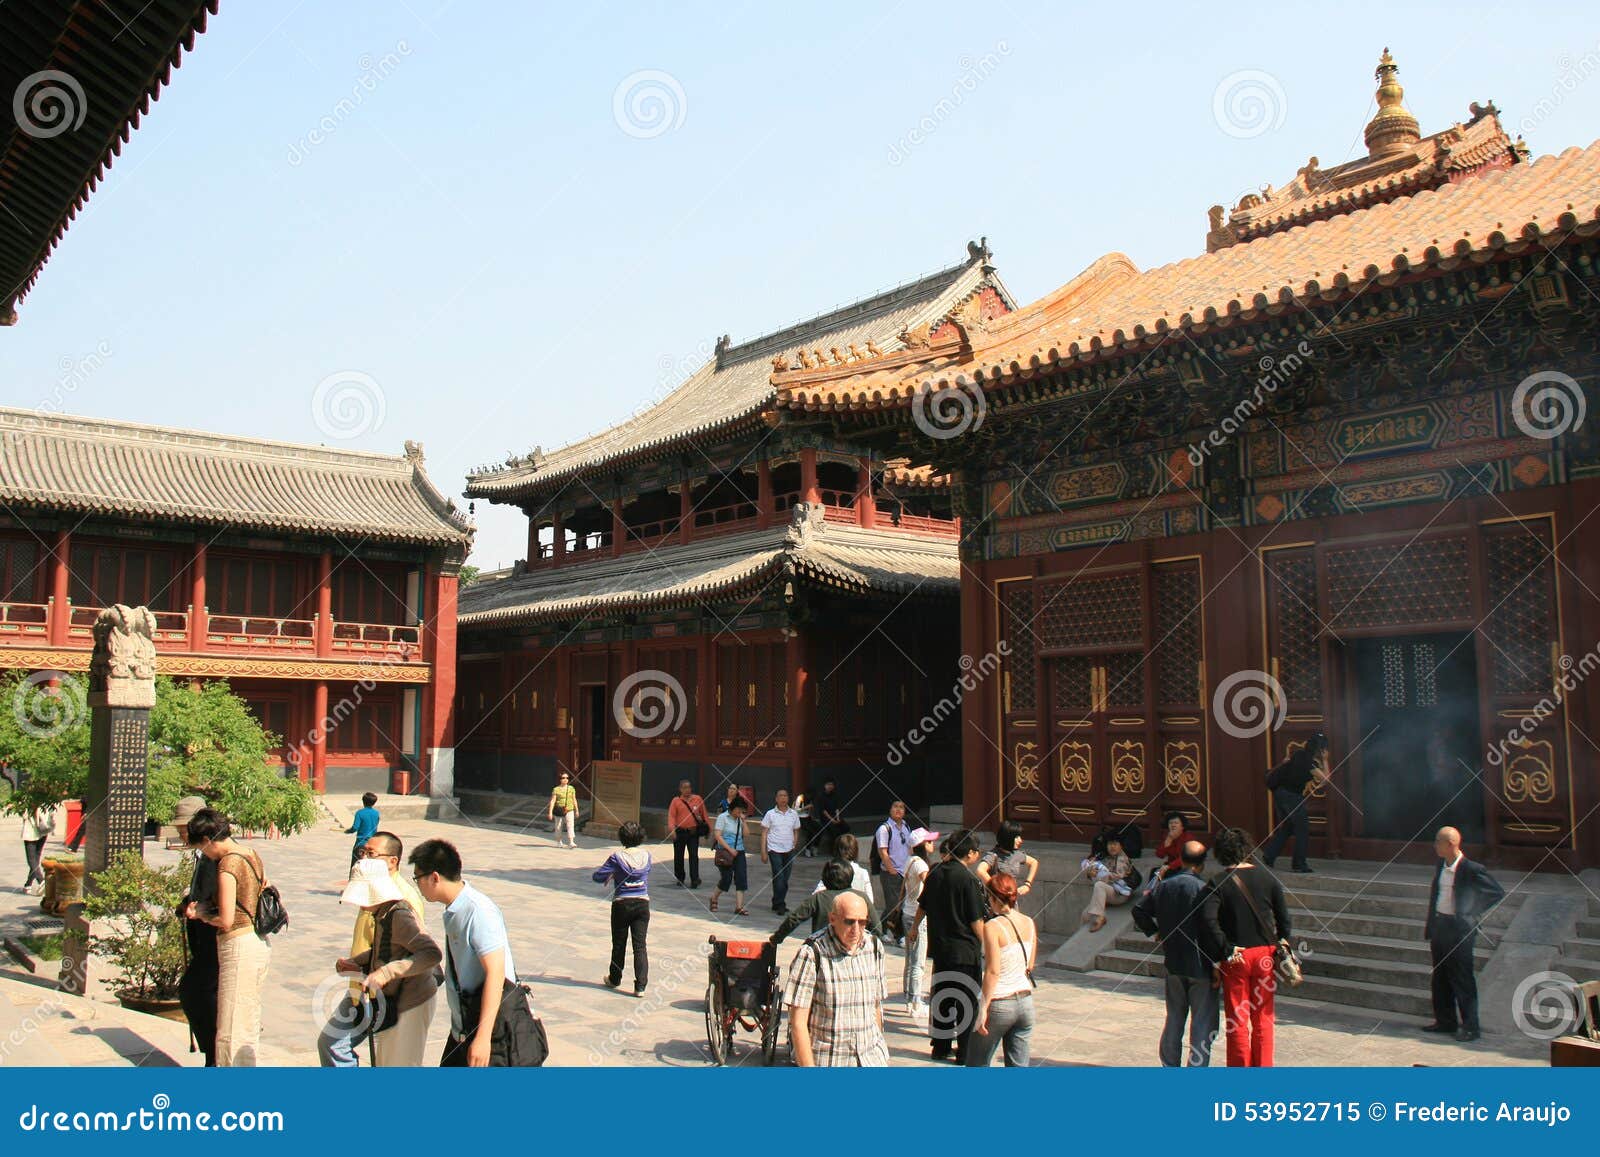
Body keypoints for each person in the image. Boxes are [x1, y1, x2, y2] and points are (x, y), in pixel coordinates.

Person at [318, 831, 428, 1066]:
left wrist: (382, 974)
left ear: (392, 861)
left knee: (338, 1044)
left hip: (387, 993)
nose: (364, 859)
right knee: (331, 1043)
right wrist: (357, 962)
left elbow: (416, 953)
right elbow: (380, 944)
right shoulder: (371, 887)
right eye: (363, 852)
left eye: (372, 854)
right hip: (362, 985)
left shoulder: (403, 899)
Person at [409, 838, 518, 1066]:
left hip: (490, 1031)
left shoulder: (478, 911)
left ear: (434, 877)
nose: (417, 885)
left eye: (417, 878)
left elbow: (496, 973)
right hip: (463, 1027)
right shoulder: (455, 909)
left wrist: (483, 1039)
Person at [181, 808, 270, 1067]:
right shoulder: (251, 854)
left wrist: (201, 915)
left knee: (230, 1025)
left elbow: (226, 919)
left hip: (238, 943)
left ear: (208, 841)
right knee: (246, 1020)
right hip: (258, 942)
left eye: (202, 848)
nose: (205, 854)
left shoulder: (228, 864)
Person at [336, 856, 442, 1066]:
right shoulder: (381, 913)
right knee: (386, 1062)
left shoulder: (399, 915)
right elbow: (386, 950)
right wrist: (356, 963)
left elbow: (431, 953)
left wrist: (385, 973)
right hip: (394, 1002)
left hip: (412, 1001)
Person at [1201, 827, 1290, 1067]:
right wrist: (1283, 940)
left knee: (1237, 1019)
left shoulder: (1218, 883)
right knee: (1263, 1016)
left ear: (1221, 853)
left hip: (1236, 956)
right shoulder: (1267, 877)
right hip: (1265, 955)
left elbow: (1208, 920)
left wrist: (1225, 948)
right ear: (1246, 849)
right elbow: (1284, 918)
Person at [1133, 839, 1219, 1066]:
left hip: (1173, 961)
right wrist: (1219, 961)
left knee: (1174, 1018)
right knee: (1202, 1022)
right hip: (1201, 964)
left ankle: (1169, 1065)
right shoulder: (1204, 889)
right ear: (1201, 864)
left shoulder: (1164, 886)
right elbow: (1212, 928)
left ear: (1181, 858)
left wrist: (1155, 933)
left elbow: (1139, 909)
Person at [783, 892, 889, 1066]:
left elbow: (876, 1007)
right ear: (832, 919)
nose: (856, 929)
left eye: (862, 922)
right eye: (849, 921)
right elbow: (797, 1022)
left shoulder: (874, 947)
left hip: (871, 1060)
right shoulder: (811, 954)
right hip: (830, 1060)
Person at [1423, 825, 1505, 1043]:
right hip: (1440, 925)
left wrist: (1470, 910)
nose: (1435, 846)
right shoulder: (1441, 864)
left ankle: (1471, 1026)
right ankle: (1445, 1021)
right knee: (1440, 977)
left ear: (1450, 844)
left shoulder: (1471, 868)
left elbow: (1496, 892)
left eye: (1438, 842)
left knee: (1462, 978)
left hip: (1459, 930)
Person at [916, 828, 986, 1063]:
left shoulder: (936, 872)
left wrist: (914, 928)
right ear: (971, 853)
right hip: (965, 950)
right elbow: (976, 919)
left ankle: (941, 1047)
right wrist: (987, 942)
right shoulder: (968, 879)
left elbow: (922, 906)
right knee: (966, 1001)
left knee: (944, 998)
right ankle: (965, 1052)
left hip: (941, 947)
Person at [967, 872, 1038, 1067]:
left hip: (1000, 1002)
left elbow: (992, 971)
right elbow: (1029, 966)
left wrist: (982, 1008)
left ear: (992, 898)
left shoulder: (993, 926)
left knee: (976, 1063)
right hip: (1025, 1002)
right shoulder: (1029, 922)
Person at [177, 818, 220, 1066]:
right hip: (202, 934)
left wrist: (199, 910)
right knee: (198, 992)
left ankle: (214, 1055)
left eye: (185, 830)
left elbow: (218, 901)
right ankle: (211, 1054)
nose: (183, 835)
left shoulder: (217, 857)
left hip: (214, 936)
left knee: (196, 991)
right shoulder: (204, 855)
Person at [593, 820, 651, 996]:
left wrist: (611, 874)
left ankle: (615, 978)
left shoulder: (616, 857)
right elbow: (643, 872)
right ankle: (640, 985)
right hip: (642, 902)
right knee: (640, 946)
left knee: (619, 943)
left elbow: (598, 876)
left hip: (622, 903)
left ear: (621, 837)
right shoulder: (647, 855)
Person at [1261, 733, 1329, 873]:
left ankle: (1269, 855)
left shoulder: (1298, 754)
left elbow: (1287, 762)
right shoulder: (1309, 762)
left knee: (1288, 826)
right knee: (1302, 829)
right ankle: (1299, 863)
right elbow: (1325, 779)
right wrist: (1326, 760)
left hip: (1280, 793)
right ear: (1320, 749)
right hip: (1292, 796)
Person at [772, 859, 882, 943]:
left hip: (823, 948)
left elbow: (794, 919)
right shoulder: (862, 898)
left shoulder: (817, 898)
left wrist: (777, 938)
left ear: (824, 878)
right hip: (853, 949)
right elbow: (877, 928)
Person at [900, 827, 938, 1019]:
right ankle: (915, 1001)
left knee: (910, 958)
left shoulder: (910, 861)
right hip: (917, 916)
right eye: (929, 841)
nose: (933, 844)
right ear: (922, 845)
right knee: (918, 962)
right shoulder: (921, 865)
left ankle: (908, 995)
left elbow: (903, 887)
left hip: (907, 911)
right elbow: (931, 886)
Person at [873, 801, 912, 942]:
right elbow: (882, 852)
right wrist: (892, 870)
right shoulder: (884, 829)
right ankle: (899, 935)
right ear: (890, 810)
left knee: (895, 904)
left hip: (904, 871)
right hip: (891, 872)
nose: (898, 810)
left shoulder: (906, 826)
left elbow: (909, 847)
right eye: (895, 806)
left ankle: (880, 929)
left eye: (901, 807)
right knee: (895, 905)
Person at [1080, 832, 1133, 932]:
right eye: (1109, 844)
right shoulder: (1107, 858)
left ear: (1121, 846)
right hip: (1109, 891)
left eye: (1115, 844)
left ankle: (1100, 917)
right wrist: (1091, 873)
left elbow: (1116, 877)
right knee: (1085, 915)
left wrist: (1099, 875)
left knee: (1099, 885)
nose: (1112, 847)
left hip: (1120, 894)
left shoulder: (1123, 858)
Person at [761, 789, 802, 914]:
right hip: (774, 849)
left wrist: (795, 842)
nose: (783, 798)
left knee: (785, 878)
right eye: (780, 796)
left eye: (785, 795)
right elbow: (764, 833)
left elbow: (796, 830)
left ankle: (777, 901)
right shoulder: (770, 814)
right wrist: (763, 851)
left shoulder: (793, 814)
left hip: (789, 849)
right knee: (779, 876)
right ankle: (780, 904)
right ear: (776, 799)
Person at [976, 819, 1039, 897]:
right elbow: (980, 870)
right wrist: (996, 889)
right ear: (1007, 837)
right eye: (1016, 837)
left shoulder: (1017, 854)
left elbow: (1034, 862)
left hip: (1012, 901)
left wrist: (1027, 884)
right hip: (996, 903)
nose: (1020, 840)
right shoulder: (993, 855)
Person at [710, 797, 750, 915]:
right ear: (733, 808)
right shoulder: (723, 817)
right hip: (725, 852)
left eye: (742, 811)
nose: (740, 813)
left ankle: (739, 907)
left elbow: (746, 834)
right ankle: (714, 898)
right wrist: (730, 849)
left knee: (741, 877)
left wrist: (744, 821)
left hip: (739, 851)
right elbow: (718, 835)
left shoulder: (739, 820)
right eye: (739, 810)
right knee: (726, 878)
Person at [666, 779, 707, 888]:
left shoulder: (697, 799)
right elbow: (671, 817)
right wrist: (672, 830)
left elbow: (704, 815)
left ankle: (695, 879)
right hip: (680, 832)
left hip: (693, 833)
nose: (687, 790)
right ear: (680, 789)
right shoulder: (676, 801)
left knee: (694, 856)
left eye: (688, 787)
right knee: (678, 856)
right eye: (684, 787)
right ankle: (680, 878)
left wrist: (708, 829)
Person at [812, 832, 872, 900]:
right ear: (856, 850)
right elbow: (870, 900)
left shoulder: (832, 869)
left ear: (836, 850)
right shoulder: (863, 873)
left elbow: (816, 895)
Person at [20, 805, 53, 895]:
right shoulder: (47, 800)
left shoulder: (28, 800)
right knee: (35, 860)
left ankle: (41, 881)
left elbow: (25, 815)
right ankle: (28, 885)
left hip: (31, 832)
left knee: (31, 860)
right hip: (43, 831)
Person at [345, 792, 380, 868]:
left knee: (356, 866)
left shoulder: (360, 813)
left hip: (361, 843)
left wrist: (348, 831)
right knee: (369, 866)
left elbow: (355, 827)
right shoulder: (376, 813)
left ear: (363, 801)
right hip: (372, 843)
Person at [814, 778, 847, 855]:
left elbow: (837, 808)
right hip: (826, 819)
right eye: (828, 784)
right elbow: (823, 811)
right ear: (824, 786)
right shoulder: (821, 796)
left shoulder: (835, 795)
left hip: (835, 817)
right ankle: (834, 851)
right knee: (834, 831)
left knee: (845, 827)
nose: (830, 786)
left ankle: (842, 846)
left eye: (831, 784)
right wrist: (832, 820)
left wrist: (838, 818)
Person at [547, 771, 578, 849]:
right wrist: (550, 812)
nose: (565, 779)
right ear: (560, 779)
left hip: (569, 809)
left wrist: (576, 810)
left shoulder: (571, 788)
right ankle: (559, 842)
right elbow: (553, 801)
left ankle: (571, 842)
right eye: (563, 778)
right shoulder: (556, 789)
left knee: (570, 826)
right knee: (558, 826)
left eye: (567, 778)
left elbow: (574, 799)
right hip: (559, 810)